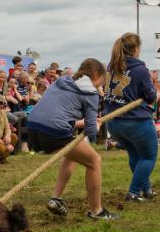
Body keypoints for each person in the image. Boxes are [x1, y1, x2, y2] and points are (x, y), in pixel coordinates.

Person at [27, 58, 118, 220]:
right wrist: (94, 126)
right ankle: (96, 211)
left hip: (33, 127)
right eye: (104, 77)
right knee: (94, 161)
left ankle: (56, 198)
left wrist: (81, 123)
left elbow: (55, 110)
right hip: (53, 131)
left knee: (75, 151)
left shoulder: (62, 80)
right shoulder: (91, 92)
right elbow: (91, 132)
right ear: (97, 75)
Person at [103, 33, 159, 202]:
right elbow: (150, 96)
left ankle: (146, 189)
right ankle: (134, 192)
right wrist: (157, 93)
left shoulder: (111, 67)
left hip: (114, 123)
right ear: (135, 49)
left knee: (135, 154)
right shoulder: (140, 69)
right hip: (136, 122)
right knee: (148, 156)